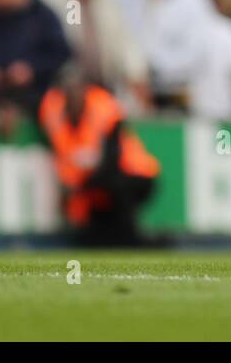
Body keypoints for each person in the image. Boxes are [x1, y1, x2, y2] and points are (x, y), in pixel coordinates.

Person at [38, 65, 160, 246]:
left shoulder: (103, 106)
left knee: (116, 190)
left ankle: (134, 241)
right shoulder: (52, 108)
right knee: (92, 235)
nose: (74, 95)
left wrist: (79, 188)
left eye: (78, 88)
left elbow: (111, 161)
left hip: (134, 173)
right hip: (94, 185)